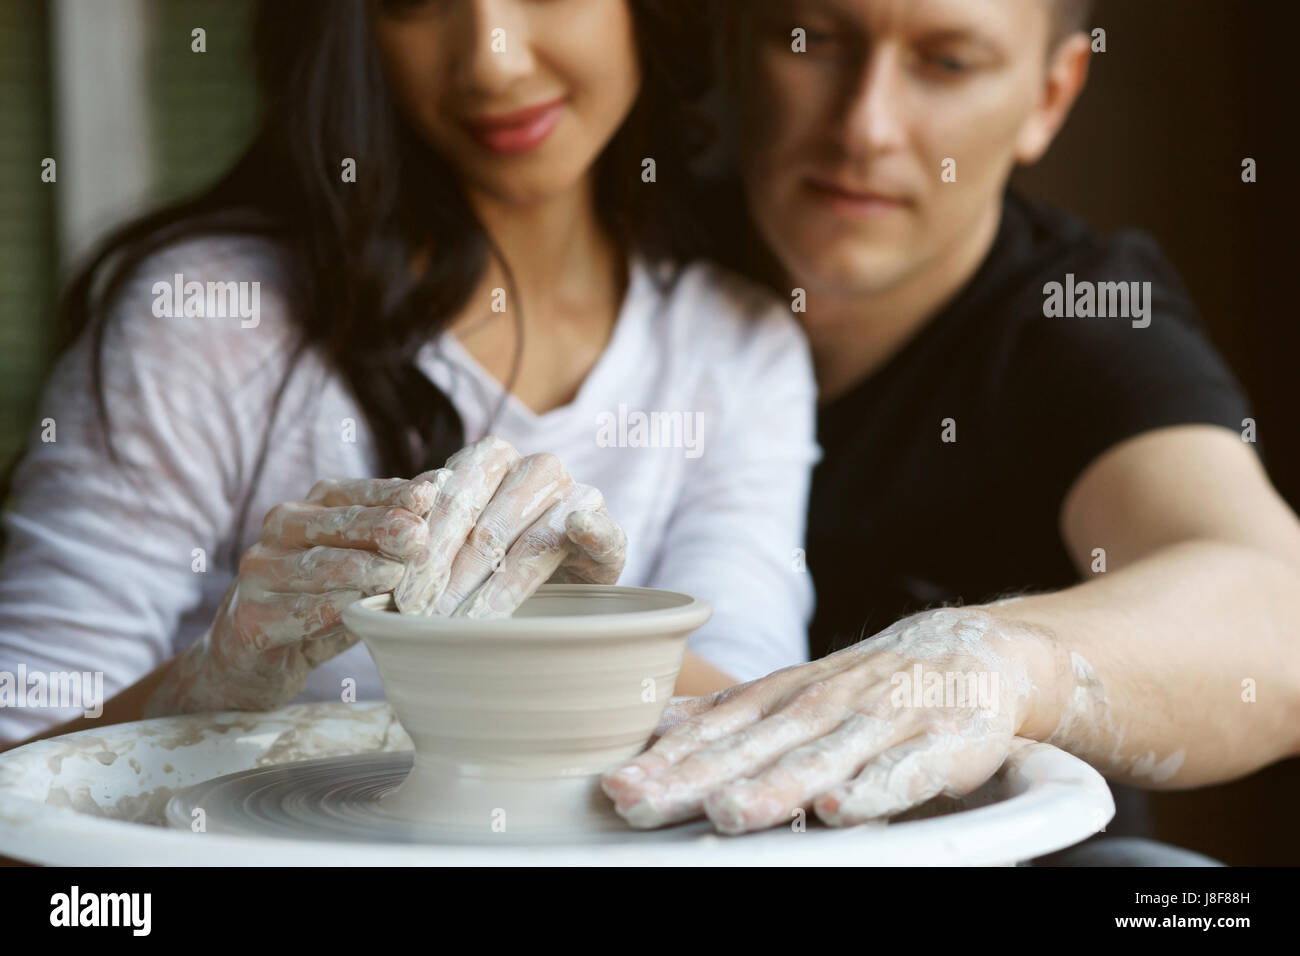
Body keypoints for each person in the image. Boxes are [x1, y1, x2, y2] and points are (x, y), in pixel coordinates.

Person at [0, 0, 819, 748]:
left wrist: (552, 616)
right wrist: (208, 685)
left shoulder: (735, 352)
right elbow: (17, 757)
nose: (491, 61)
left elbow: (763, 735)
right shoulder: (210, 316)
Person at [602, 0, 1300, 861]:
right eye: (814, 41)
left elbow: (1277, 609)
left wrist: (995, 662)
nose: (865, 127)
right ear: (739, 47)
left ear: (1050, 94)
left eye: (948, 63)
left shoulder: (1077, 319)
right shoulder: (608, 265)